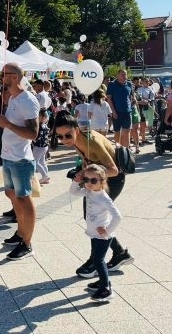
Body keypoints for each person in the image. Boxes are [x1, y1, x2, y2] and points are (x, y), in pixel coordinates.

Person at [54, 112, 134, 276]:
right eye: (60, 137)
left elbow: (113, 170)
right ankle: (119, 253)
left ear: (76, 130)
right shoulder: (77, 141)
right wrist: (83, 172)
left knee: (95, 218)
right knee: (89, 216)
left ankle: (95, 260)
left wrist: (87, 175)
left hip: (112, 180)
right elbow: (86, 160)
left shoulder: (93, 141)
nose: (65, 140)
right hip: (96, 179)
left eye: (68, 135)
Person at [0, 63, 39, 261]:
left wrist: (8, 124)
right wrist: (0, 121)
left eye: (3, 74)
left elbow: (33, 134)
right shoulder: (12, 98)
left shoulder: (28, 100)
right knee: (11, 195)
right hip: (9, 156)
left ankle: (27, 243)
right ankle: (21, 232)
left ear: (14, 77)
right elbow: (11, 126)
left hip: (21, 159)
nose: (0, 76)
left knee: (23, 199)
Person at [70, 164, 122, 302]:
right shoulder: (88, 192)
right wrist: (76, 180)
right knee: (97, 259)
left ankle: (106, 288)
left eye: (93, 181)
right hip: (93, 233)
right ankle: (102, 281)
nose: (89, 183)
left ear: (102, 181)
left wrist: (107, 231)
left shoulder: (104, 198)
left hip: (102, 237)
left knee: (98, 260)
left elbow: (118, 216)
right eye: (86, 180)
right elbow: (73, 192)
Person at [106, 69, 134, 148]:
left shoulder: (129, 84)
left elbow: (130, 97)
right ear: (117, 75)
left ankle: (127, 149)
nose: (124, 76)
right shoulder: (112, 84)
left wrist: (130, 106)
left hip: (127, 111)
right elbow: (109, 98)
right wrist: (113, 112)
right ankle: (118, 149)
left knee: (127, 131)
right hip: (117, 112)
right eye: (122, 74)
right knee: (117, 132)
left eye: (125, 74)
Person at [32, 109, 51, 185]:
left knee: (35, 162)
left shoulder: (39, 126)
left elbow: (36, 136)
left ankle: (45, 176)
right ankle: (46, 177)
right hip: (45, 146)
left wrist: (32, 139)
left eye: (38, 115)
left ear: (41, 116)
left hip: (38, 146)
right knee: (42, 162)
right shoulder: (45, 125)